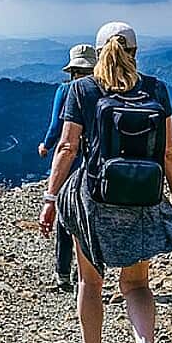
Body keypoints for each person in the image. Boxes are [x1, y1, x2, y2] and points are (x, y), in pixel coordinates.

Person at [38, 22, 172, 343]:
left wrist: (51, 197)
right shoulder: (155, 89)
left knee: (91, 282)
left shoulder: (82, 89)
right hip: (143, 199)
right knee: (137, 284)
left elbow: (68, 147)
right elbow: (169, 153)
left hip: (94, 200)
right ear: (136, 51)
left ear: (99, 49)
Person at [39, 43, 97, 292]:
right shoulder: (102, 90)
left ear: (72, 70)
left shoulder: (65, 90)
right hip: (95, 163)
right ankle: (88, 271)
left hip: (71, 162)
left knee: (65, 217)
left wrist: (45, 144)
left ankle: (64, 274)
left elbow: (57, 127)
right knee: (90, 217)